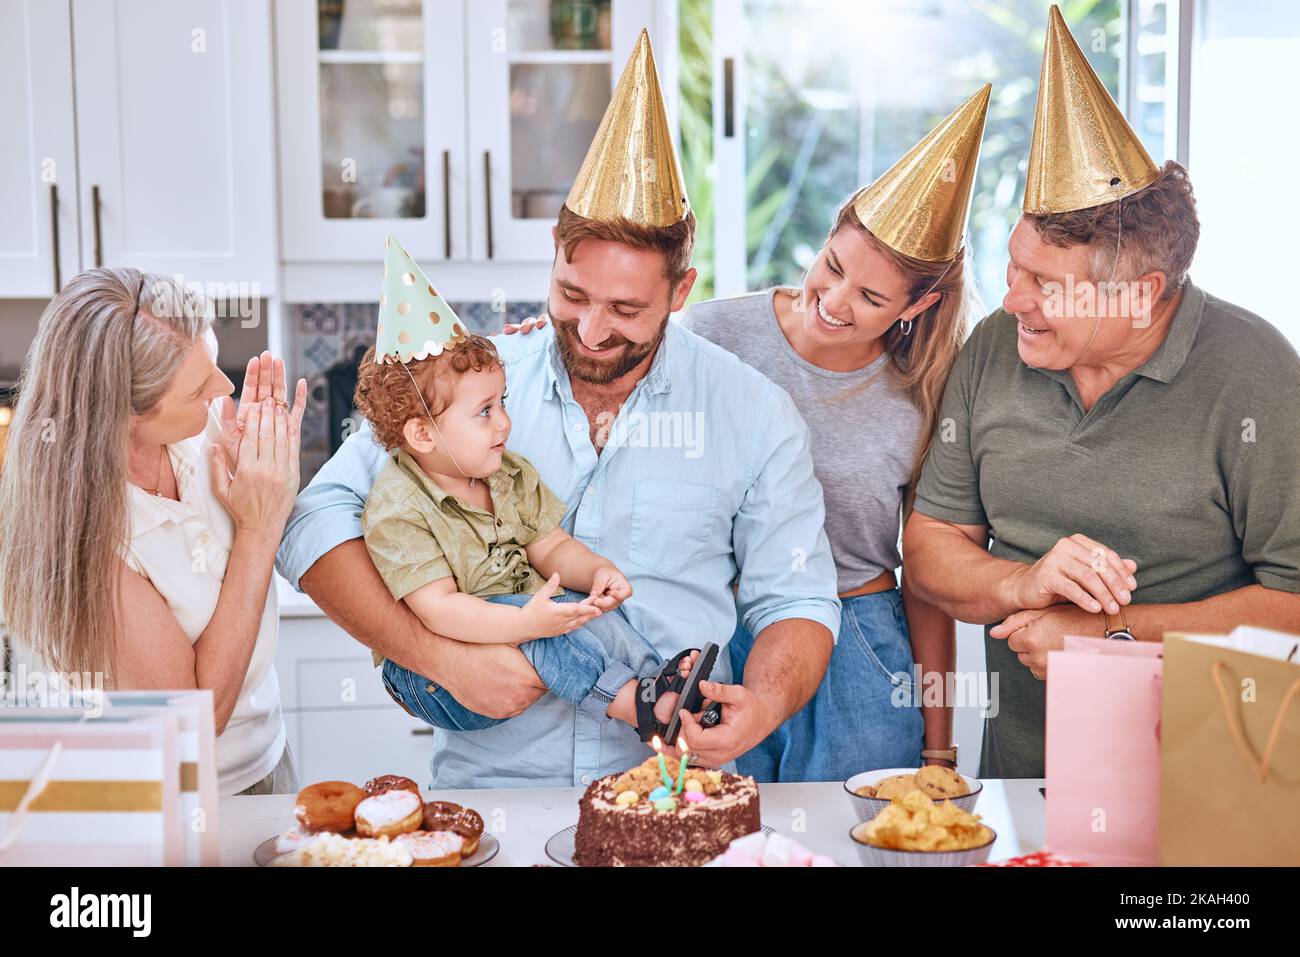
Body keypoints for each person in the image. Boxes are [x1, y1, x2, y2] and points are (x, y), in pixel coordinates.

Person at [275, 31, 840, 788]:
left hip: (671, 792)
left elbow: (797, 596)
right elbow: (313, 523)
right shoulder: (463, 385)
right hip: (494, 790)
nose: (593, 329)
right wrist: (439, 656)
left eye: (625, 308)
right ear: (553, 253)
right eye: (572, 296)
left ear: (681, 291)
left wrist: (765, 701)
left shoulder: (754, 414)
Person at [903, 5, 1300, 778]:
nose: (1012, 298)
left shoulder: (1256, 375)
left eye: (1045, 284)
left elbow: (1294, 602)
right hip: (1021, 787)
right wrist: (1022, 581)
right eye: (1013, 266)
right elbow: (929, 551)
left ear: (1141, 292)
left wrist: (1109, 635)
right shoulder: (994, 350)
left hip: (1209, 785)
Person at [682, 87, 990, 781]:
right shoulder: (712, 336)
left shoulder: (927, 392)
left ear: (921, 304)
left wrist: (940, 751)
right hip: (724, 640)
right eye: (834, 265)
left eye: (872, 297)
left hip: (863, 648)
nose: (834, 300)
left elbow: (928, 583)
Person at [353, 236, 695, 734]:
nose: (505, 424)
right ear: (422, 433)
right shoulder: (398, 510)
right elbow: (441, 610)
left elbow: (549, 544)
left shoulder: (508, 473)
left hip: (510, 626)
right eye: (485, 412)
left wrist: (596, 570)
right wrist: (525, 625)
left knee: (589, 615)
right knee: (546, 622)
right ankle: (631, 707)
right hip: (435, 676)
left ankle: (661, 684)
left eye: (503, 402)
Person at [0, 267, 307, 794]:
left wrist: (260, 478)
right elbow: (195, 717)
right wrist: (258, 529)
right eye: (196, 389)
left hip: (265, 757)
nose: (224, 387)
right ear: (120, 414)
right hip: (171, 802)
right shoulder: (86, 540)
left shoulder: (203, 430)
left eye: (211, 360)